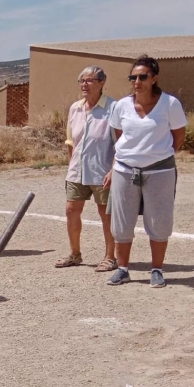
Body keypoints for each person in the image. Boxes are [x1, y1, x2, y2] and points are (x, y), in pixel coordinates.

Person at [104, 55, 187, 288]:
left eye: (143, 77)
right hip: (124, 169)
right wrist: (117, 166)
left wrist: (158, 154)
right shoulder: (121, 106)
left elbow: (178, 137)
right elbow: (118, 138)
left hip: (159, 170)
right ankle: (122, 269)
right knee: (121, 221)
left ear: (154, 78)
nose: (137, 81)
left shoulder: (170, 104)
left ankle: (157, 269)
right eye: (133, 77)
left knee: (159, 220)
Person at [58, 66, 117, 271]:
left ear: (101, 83)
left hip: (103, 171)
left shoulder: (113, 108)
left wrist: (113, 170)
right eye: (81, 81)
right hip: (77, 170)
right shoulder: (76, 108)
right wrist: (71, 166)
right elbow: (70, 141)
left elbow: (121, 143)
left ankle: (110, 257)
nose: (84, 84)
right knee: (71, 210)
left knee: (106, 214)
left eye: (89, 80)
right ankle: (75, 254)